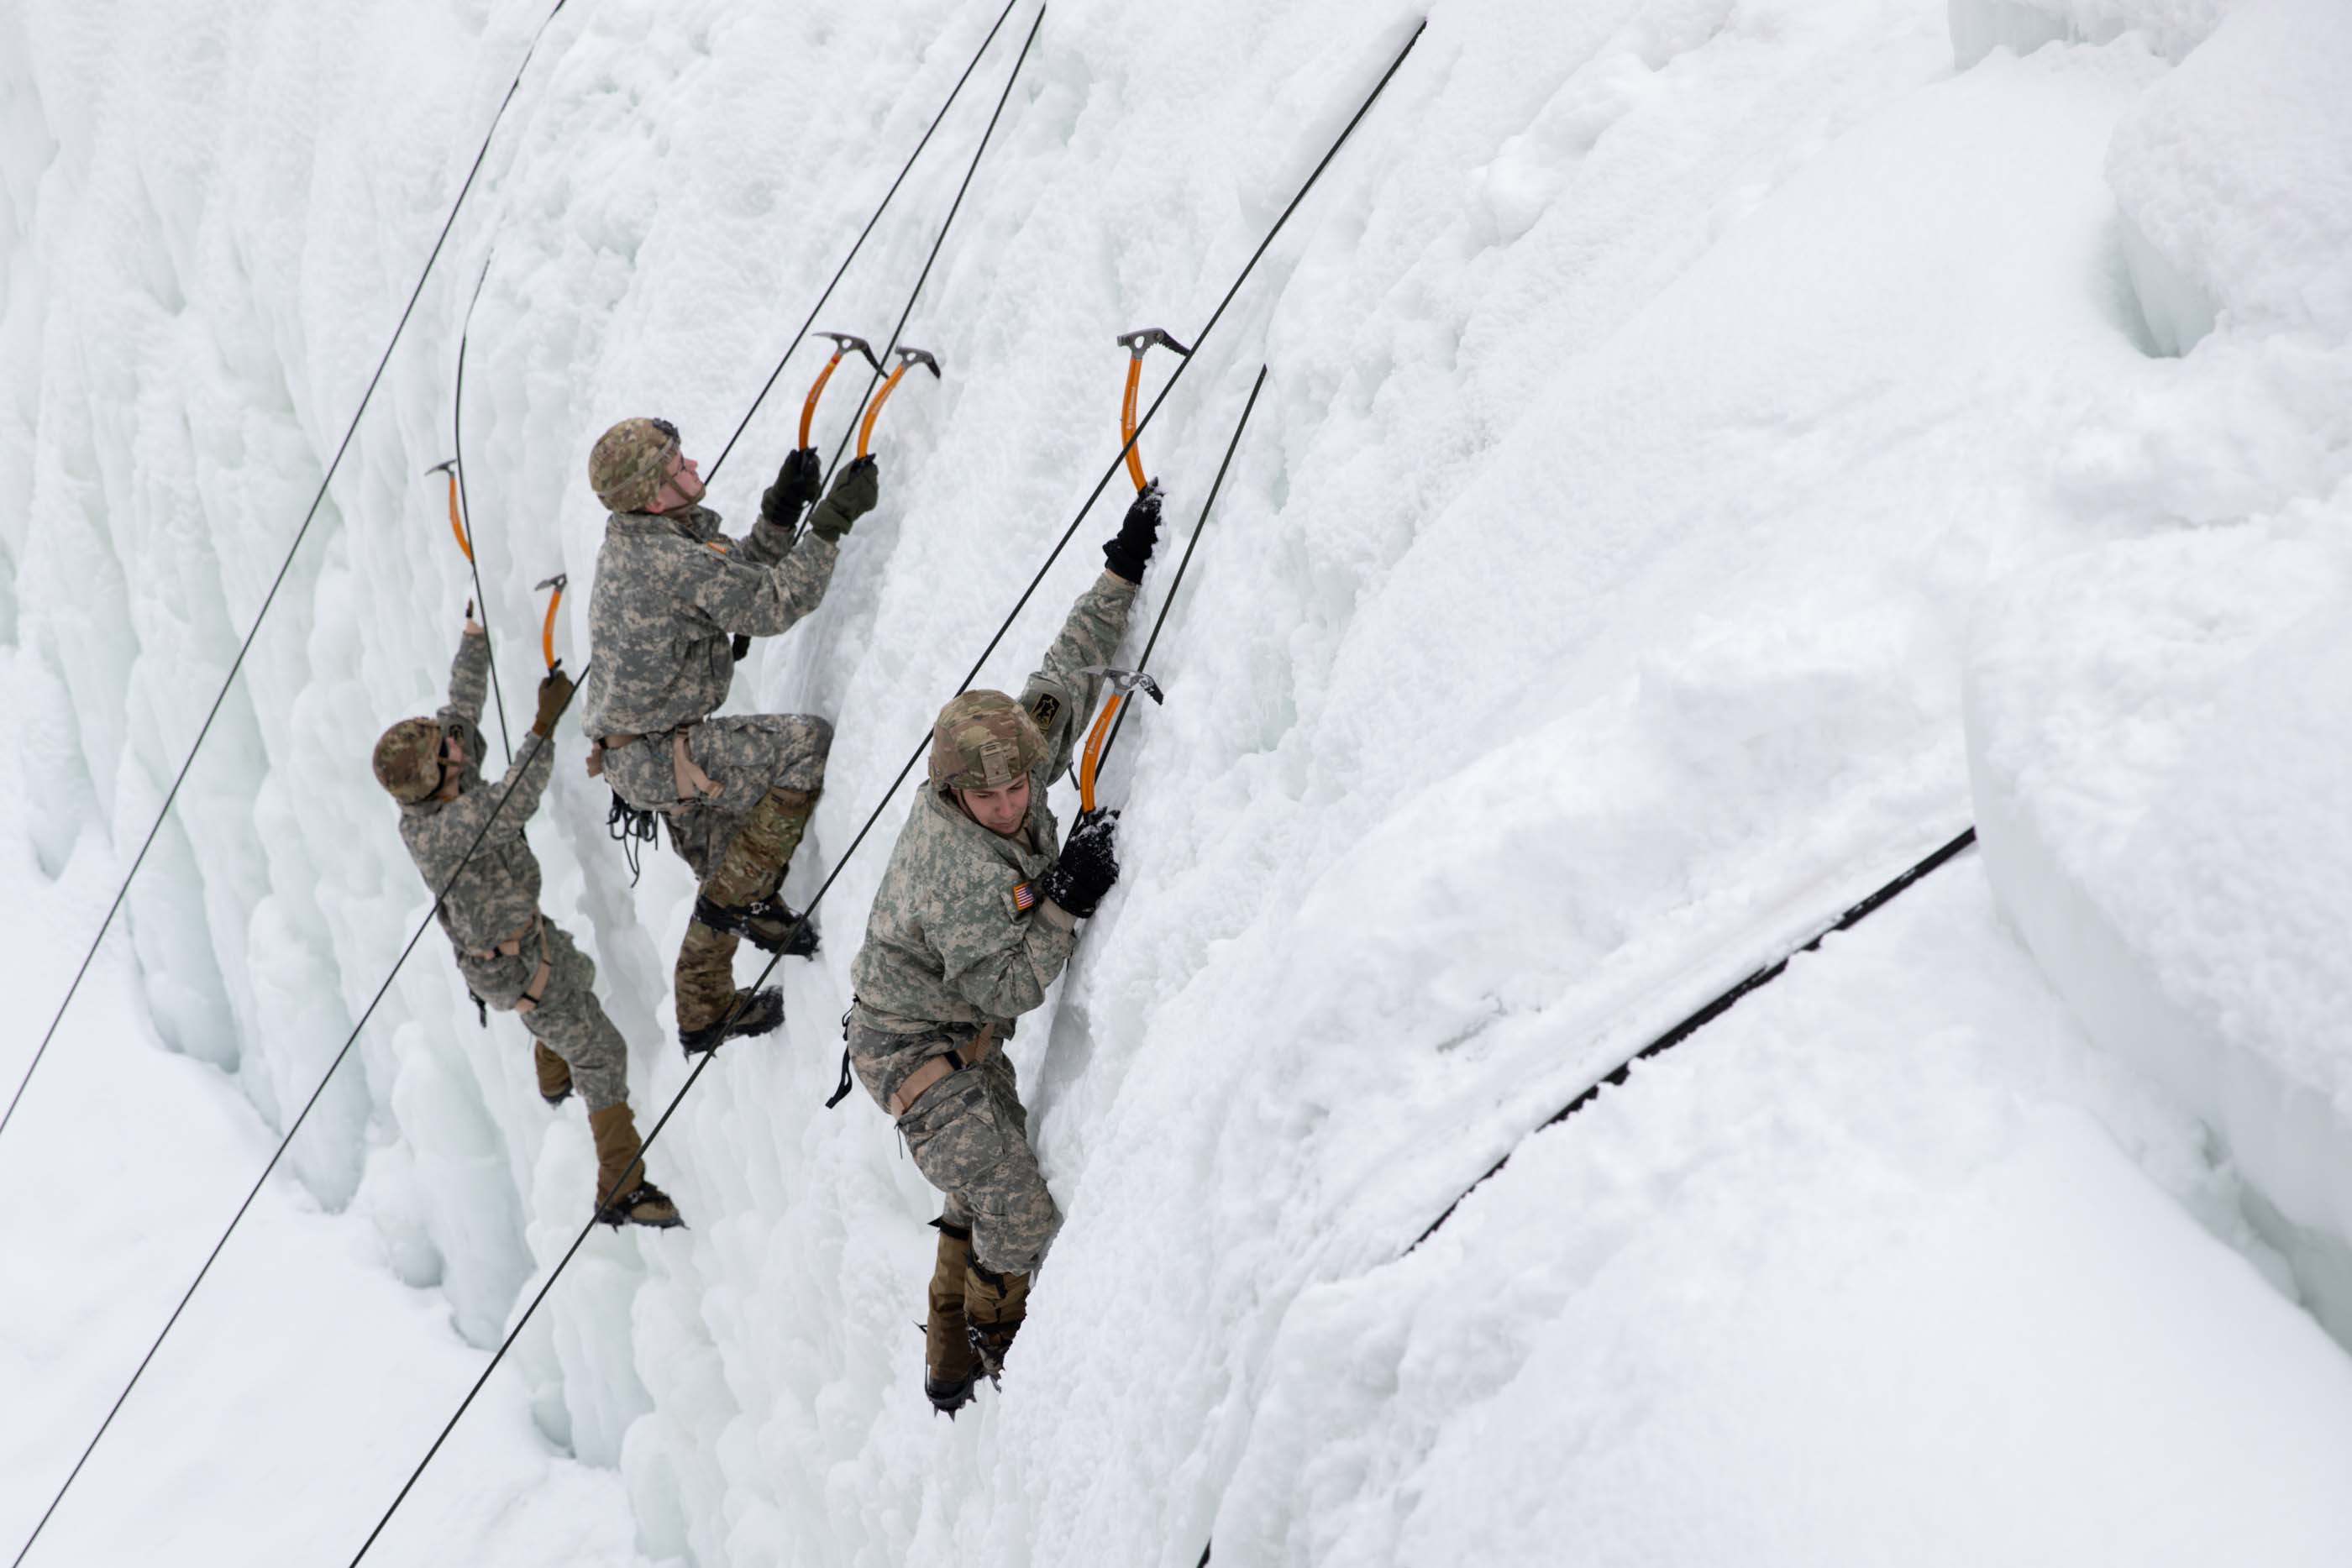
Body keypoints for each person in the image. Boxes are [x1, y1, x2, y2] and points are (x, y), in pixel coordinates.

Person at [845, 482, 1163, 1413]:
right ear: (953, 796)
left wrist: (1122, 564)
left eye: (1021, 787)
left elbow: (1064, 672)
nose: (1014, 806)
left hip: (953, 1032)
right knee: (1018, 1218)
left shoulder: (1006, 760)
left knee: (980, 1195)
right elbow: (1017, 983)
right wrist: (1063, 900)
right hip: (913, 1051)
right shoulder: (954, 871)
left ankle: (947, 1359)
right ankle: (999, 1339)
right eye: (991, 801)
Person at [578, 417, 877, 1056]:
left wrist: (780, 512)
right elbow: (768, 605)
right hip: (661, 754)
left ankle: (733, 953)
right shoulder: (660, 558)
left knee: (727, 866)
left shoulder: (646, 534)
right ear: (655, 494)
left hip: (644, 750)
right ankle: (715, 970)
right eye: (678, 465)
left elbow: (725, 579)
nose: (693, 467)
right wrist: (827, 526)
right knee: (806, 747)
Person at [372, 608, 680, 1230]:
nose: (455, 740)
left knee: (575, 983)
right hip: (515, 967)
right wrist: (545, 722)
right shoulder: (442, 829)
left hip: (518, 951)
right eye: (445, 746)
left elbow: (460, 706)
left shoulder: (442, 780)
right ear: (434, 776)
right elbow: (512, 802)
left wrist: (474, 636)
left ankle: (550, 1072)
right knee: (601, 1051)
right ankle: (620, 1187)